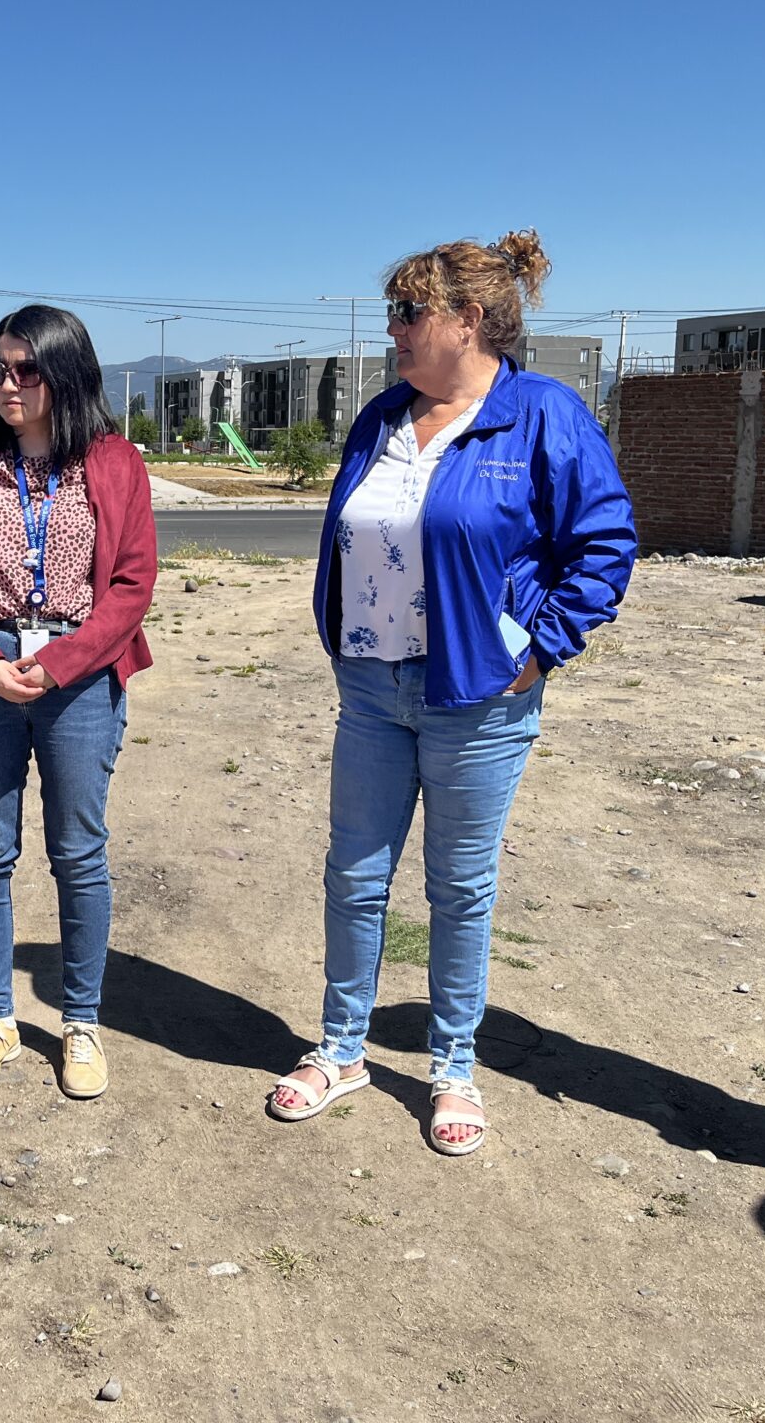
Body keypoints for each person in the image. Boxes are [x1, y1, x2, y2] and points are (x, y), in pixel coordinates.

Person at [270, 231, 635, 1154]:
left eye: (407, 313)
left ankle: (453, 1067)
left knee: (459, 890)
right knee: (354, 875)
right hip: (371, 687)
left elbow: (604, 545)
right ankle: (342, 1049)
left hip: (478, 695)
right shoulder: (380, 419)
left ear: (468, 320)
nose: (391, 330)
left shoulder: (544, 415)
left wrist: (542, 646)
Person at [0, 304, 157, 1099]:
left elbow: (130, 587)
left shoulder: (116, 462)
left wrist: (58, 665)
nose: (7, 384)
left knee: (78, 852)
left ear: (64, 374)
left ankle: (80, 1023)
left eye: (24, 370)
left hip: (80, 682)